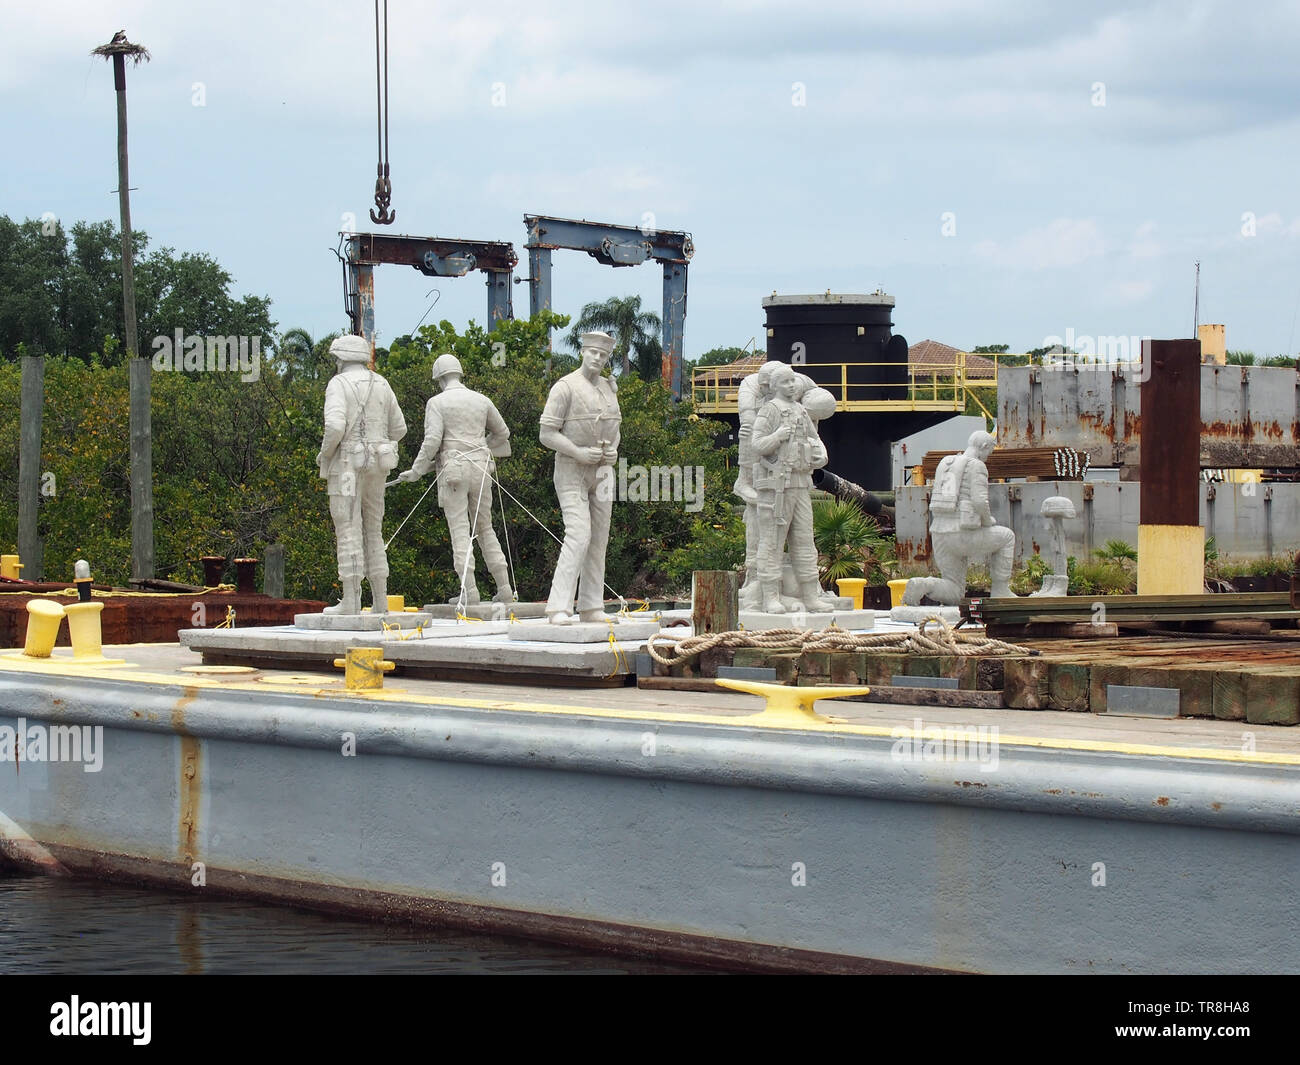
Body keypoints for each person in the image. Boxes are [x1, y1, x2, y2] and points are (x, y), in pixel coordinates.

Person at [397, 353, 515, 607]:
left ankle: (469, 590)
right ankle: (504, 587)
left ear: (439, 377)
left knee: (460, 530)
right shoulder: (481, 400)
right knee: (485, 528)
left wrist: (416, 470)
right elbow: (503, 434)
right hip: (481, 469)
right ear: (459, 373)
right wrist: (480, 447)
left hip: (455, 473)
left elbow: (432, 441)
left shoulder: (437, 403)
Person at [316, 334, 407, 615]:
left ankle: (351, 602)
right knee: (374, 531)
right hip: (377, 465)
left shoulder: (338, 384)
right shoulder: (382, 383)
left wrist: (324, 454)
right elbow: (400, 429)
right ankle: (380, 601)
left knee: (348, 530)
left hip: (346, 464)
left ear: (341, 358)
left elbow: (334, 426)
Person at [539, 331, 621, 624]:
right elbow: (546, 433)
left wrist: (613, 451)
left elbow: (615, 429)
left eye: (604, 355)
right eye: (594, 353)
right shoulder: (565, 387)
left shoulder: (609, 389)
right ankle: (558, 606)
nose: (598, 359)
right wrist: (577, 451)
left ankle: (591, 606)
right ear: (583, 352)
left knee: (599, 540)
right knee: (578, 535)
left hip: (602, 471)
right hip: (571, 469)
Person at [904, 429, 1017, 604]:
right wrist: (988, 521)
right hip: (962, 533)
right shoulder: (977, 466)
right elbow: (980, 501)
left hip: (940, 534)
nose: (988, 456)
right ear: (984, 446)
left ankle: (923, 584)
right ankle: (1001, 590)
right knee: (1007, 537)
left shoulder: (946, 463)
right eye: (989, 452)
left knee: (955, 591)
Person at [750, 363, 828, 613]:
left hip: (800, 484)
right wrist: (778, 436)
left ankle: (810, 595)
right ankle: (770, 597)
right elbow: (757, 444)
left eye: (793, 381)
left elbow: (815, 441)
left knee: (805, 542)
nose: (791, 385)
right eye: (785, 382)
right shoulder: (769, 411)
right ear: (774, 386)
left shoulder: (801, 411)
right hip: (775, 488)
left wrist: (821, 455)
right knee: (772, 543)